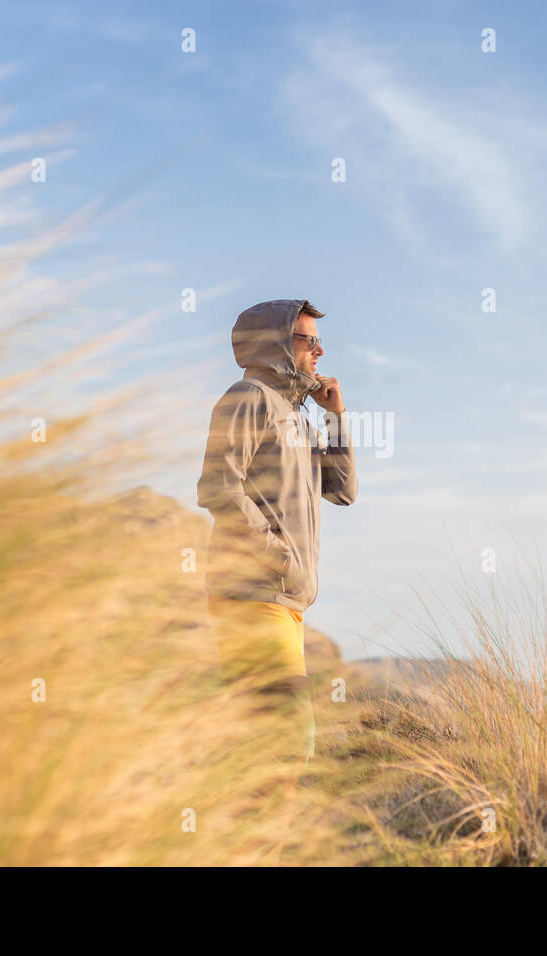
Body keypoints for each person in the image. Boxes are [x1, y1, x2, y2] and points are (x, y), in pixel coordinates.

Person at [196, 299, 357, 855]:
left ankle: (234, 845)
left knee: (268, 739)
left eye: (317, 343)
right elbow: (218, 487)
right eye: (308, 341)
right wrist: (277, 559)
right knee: (288, 738)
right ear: (273, 344)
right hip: (253, 594)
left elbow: (342, 490)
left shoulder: (299, 416)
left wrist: (335, 418)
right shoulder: (248, 399)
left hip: (284, 604)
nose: (319, 352)